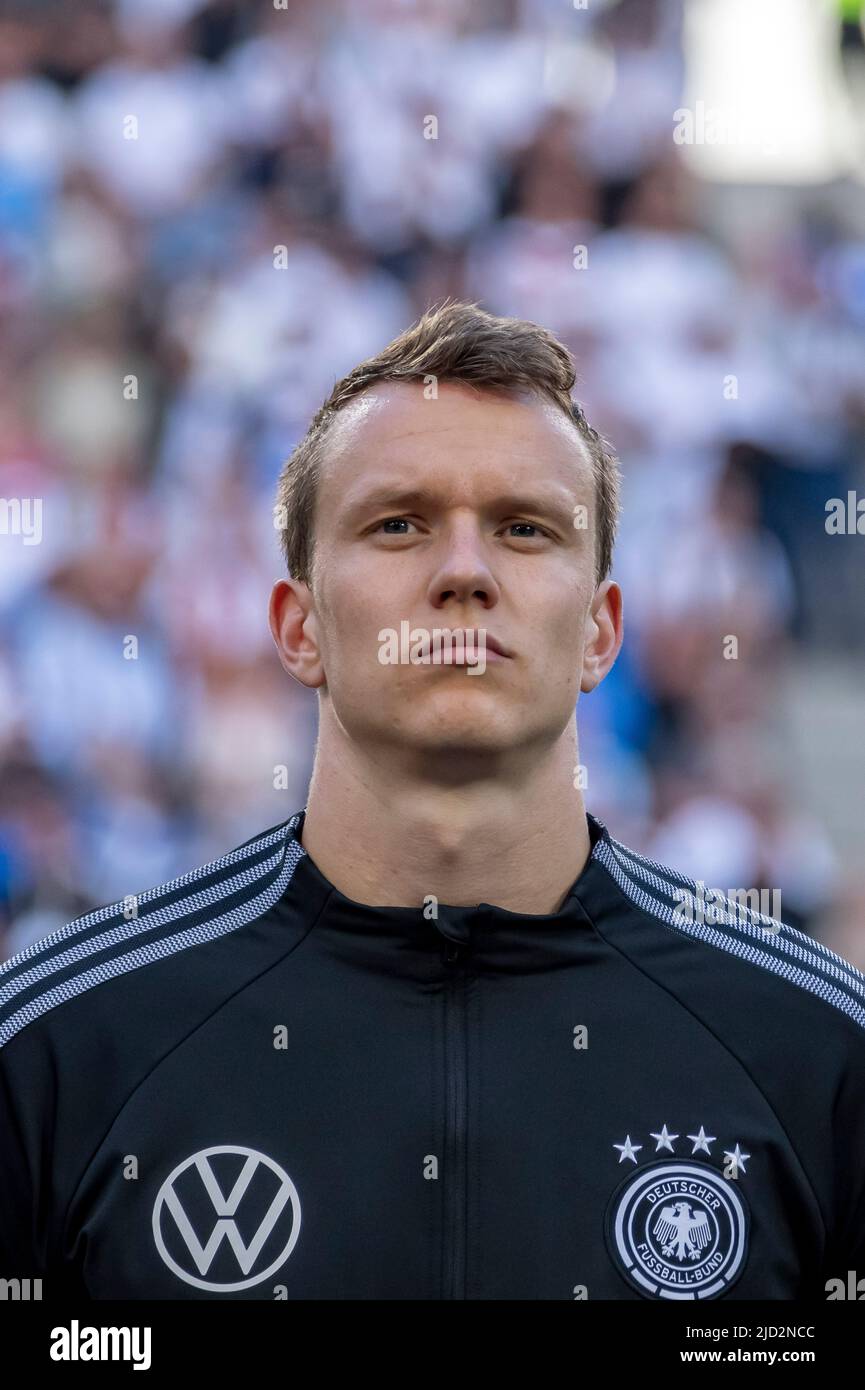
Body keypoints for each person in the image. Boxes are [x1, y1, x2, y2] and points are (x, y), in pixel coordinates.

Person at [1, 301, 863, 1301]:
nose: (463, 572)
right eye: (399, 523)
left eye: (524, 527)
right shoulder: (60, 1053)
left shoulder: (816, 1056)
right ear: (297, 627)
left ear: (599, 631)